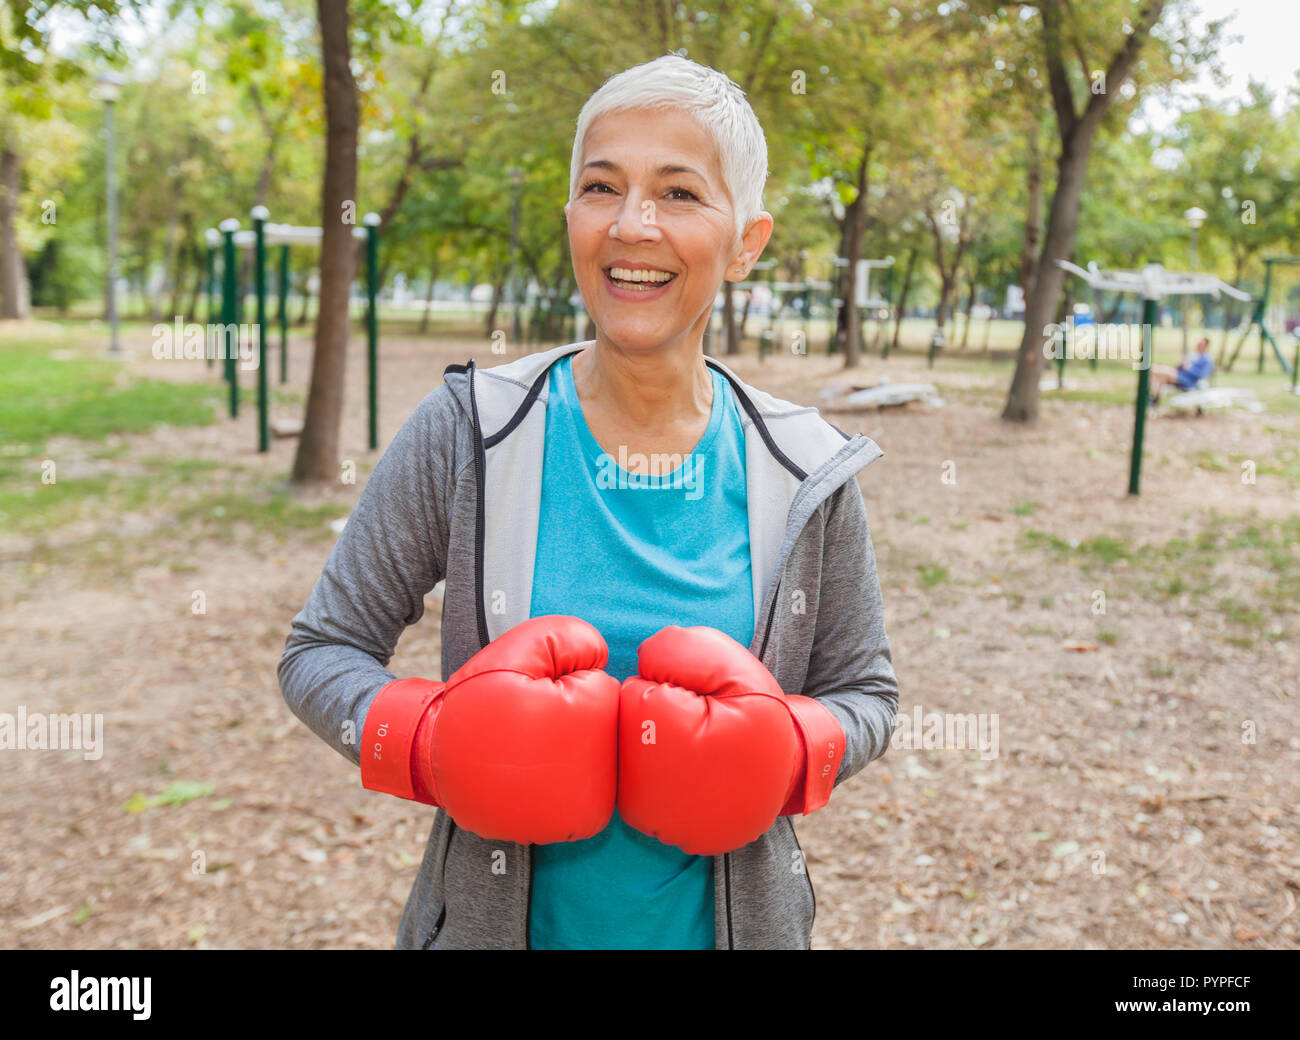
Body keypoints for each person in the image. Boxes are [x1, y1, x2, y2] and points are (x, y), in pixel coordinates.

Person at [278, 53, 899, 951]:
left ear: (747, 240)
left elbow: (865, 691)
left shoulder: (804, 469)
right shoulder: (470, 430)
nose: (633, 225)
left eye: (680, 194)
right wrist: (431, 744)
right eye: (602, 186)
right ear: (572, 214)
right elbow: (320, 650)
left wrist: (792, 750)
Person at [1150, 336, 1214, 402]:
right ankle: (1154, 396)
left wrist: (1188, 368)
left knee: (1164, 374)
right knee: (1154, 369)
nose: (1198, 345)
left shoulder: (1207, 359)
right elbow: (1180, 367)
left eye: (1200, 344)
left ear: (1206, 346)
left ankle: (1154, 398)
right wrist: (1182, 363)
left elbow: (1202, 375)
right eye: (1198, 343)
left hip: (1188, 381)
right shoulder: (1192, 355)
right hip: (1179, 374)